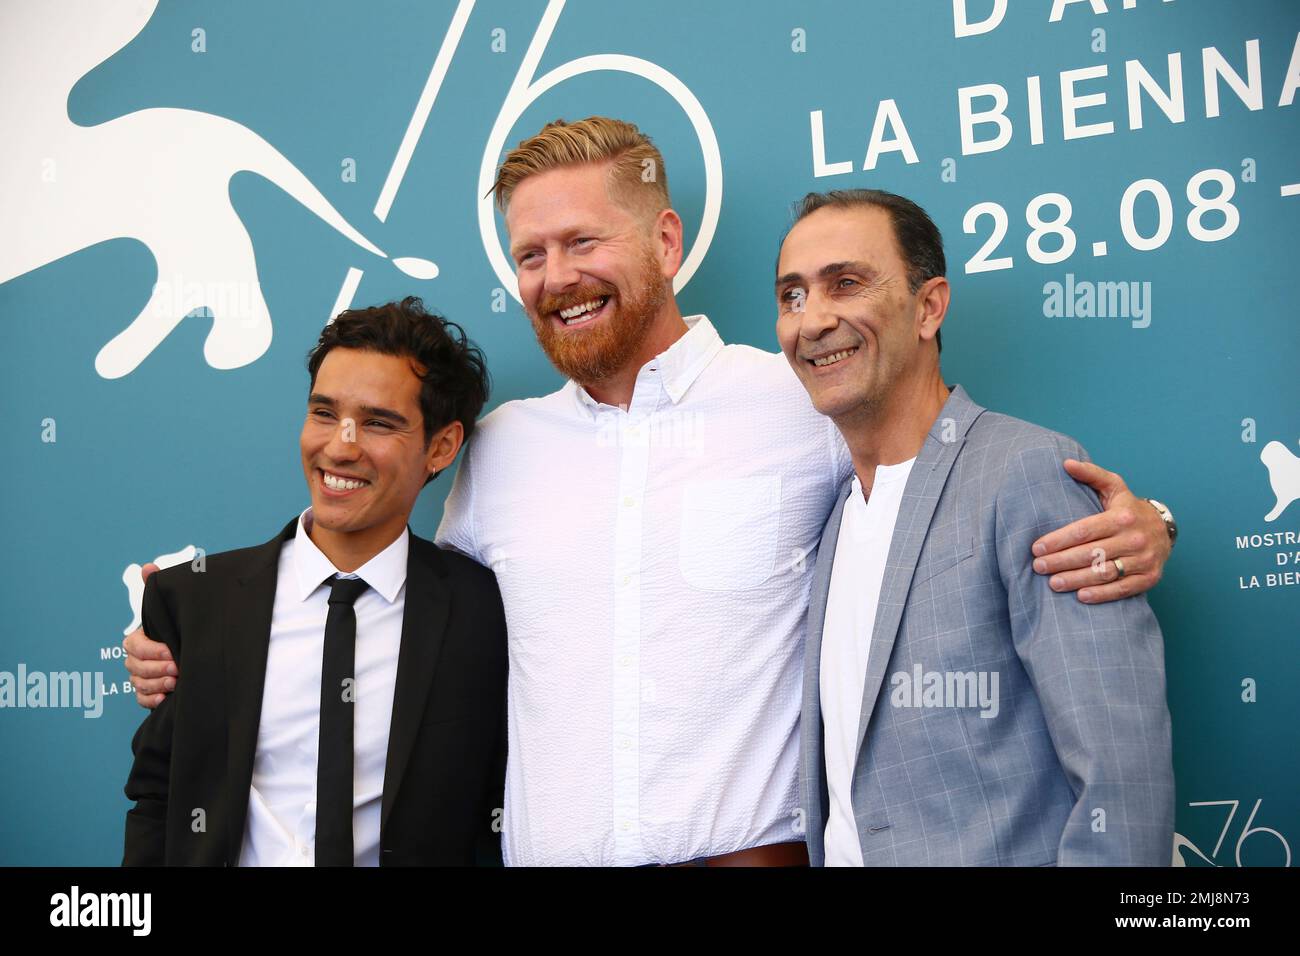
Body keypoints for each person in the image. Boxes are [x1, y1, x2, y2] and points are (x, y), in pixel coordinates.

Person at [125, 117, 1175, 867]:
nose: (555, 274)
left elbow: (930, 489)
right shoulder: (494, 451)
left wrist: (1140, 525)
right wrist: (192, 644)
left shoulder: (801, 400)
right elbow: (402, 616)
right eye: (529, 254)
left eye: (583, 241)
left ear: (664, 243)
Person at [777, 189, 1174, 865]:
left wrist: (1158, 523)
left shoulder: (1029, 472)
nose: (812, 320)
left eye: (845, 283)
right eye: (792, 295)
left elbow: (1123, 781)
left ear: (929, 306)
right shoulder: (830, 515)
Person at [122, 298, 507, 866]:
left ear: (442, 447)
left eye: (378, 422)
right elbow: (158, 799)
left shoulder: (484, 614)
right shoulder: (192, 600)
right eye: (324, 413)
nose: (340, 446)